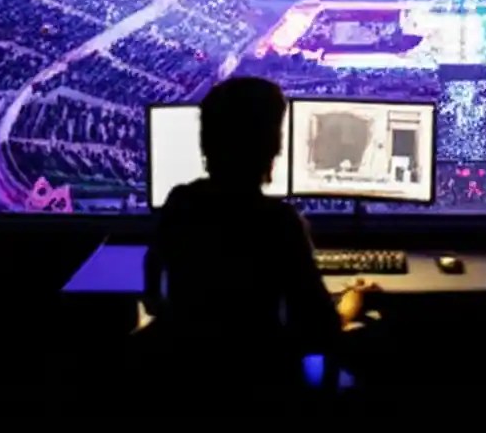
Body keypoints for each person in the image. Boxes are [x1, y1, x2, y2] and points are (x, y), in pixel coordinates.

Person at [143, 76, 377, 409]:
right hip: (264, 387)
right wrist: (353, 300)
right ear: (272, 147)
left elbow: (152, 293)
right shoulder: (278, 221)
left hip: (186, 385)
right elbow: (321, 329)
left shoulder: (179, 202)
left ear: (206, 143)